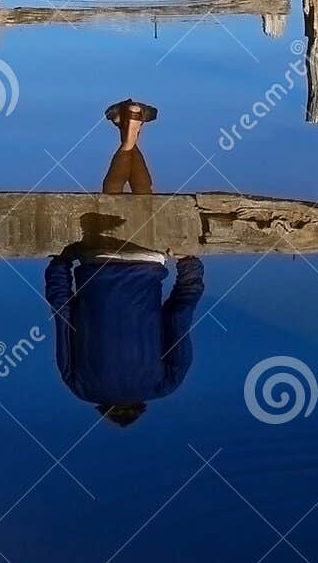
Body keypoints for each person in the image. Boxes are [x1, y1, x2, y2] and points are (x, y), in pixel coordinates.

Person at [43, 100, 205, 426]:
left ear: (139, 406)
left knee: (143, 198)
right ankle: (128, 130)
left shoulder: (163, 385)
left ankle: (130, 129)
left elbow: (179, 317)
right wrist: (60, 265)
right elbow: (63, 314)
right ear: (105, 407)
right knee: (112, 197)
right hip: (98, 266)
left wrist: (190, 268)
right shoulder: (80, 386)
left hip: (145, 262)